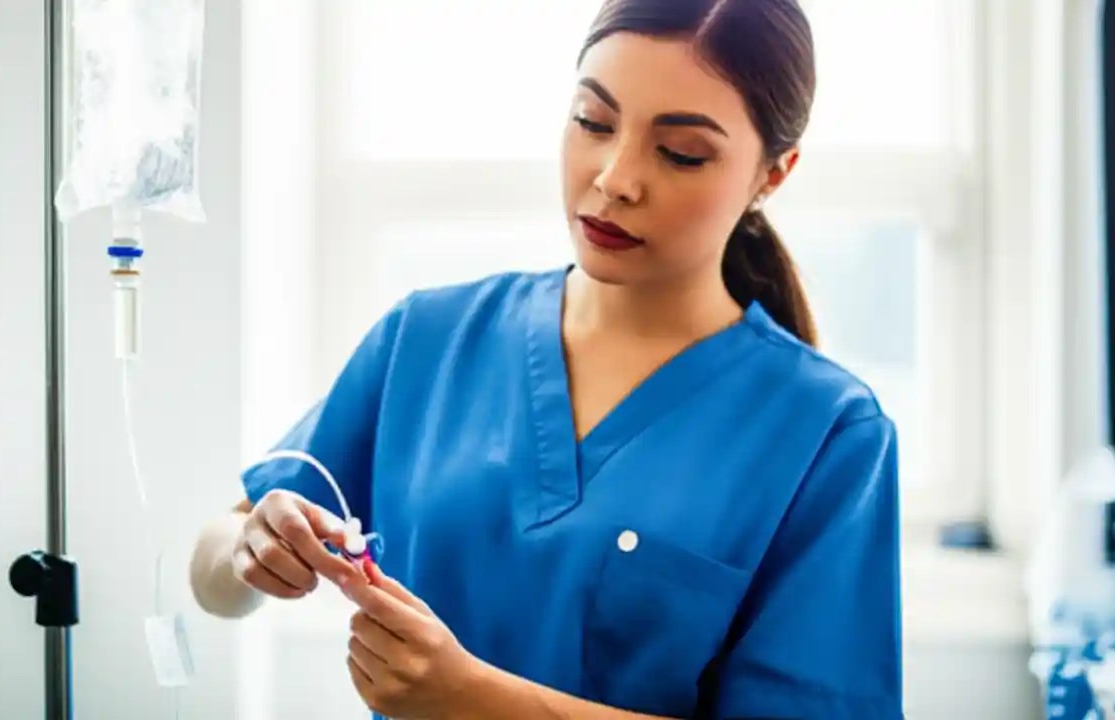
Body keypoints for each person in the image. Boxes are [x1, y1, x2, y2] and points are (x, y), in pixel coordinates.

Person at [189, 0, 902, 717]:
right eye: (594, 122)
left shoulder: (828, 431)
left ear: (772, 175)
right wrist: (250, 552)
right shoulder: (428, 339)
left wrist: (472, 699)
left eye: (681, 152)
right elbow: (215, 572)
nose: (616, 176)